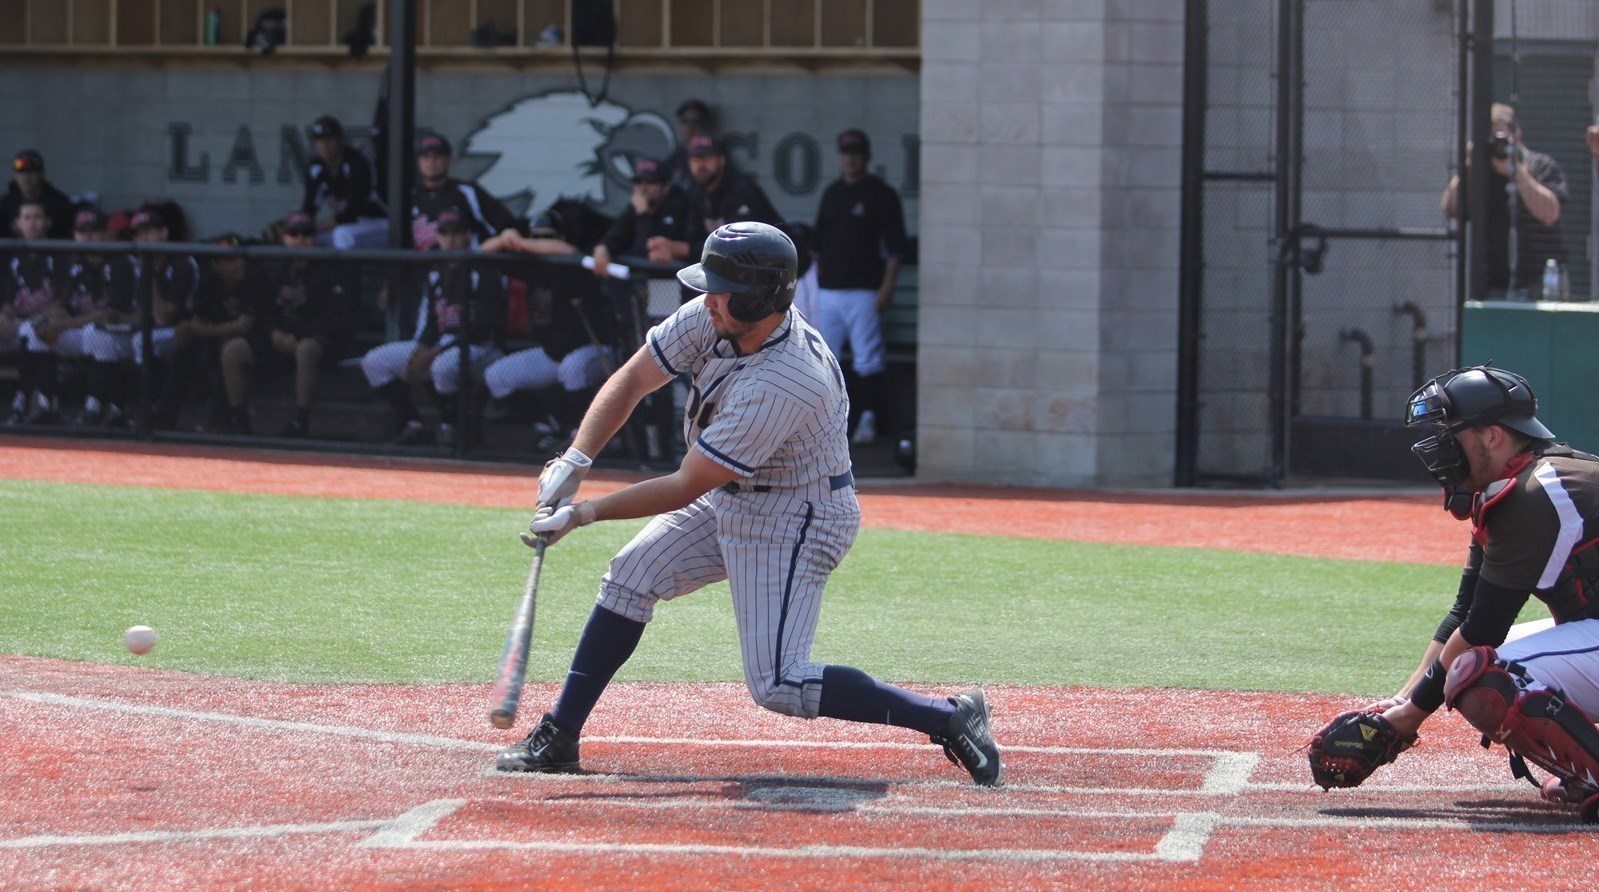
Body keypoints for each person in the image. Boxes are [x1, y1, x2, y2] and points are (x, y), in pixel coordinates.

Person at [494, 221, 1002, 787]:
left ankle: (949, 716)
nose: (706, 299)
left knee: (779, 683)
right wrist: (576, 459)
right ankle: (560, 735)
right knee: (630, 575)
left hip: (796, 516)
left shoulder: (786, 380)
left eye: (721, 288)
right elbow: (636, 377)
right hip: (733, 492)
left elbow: (687, 483)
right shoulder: (715, 316)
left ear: (761, 296)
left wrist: (584, 513)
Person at [1315, 366, 1599, 821]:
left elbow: (1484, 627)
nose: (1439, 445)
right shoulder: (1516, 485)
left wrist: (1408, 720)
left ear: (1491, 436)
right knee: (1473, 663)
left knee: (1480, 675)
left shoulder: (1534, 493)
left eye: (1451, 432)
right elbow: (1462, 614)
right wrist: (1398, 703)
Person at [362, 209, 506, 447]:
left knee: (442, 366)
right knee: (375, 361)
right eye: (444, 233)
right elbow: (430, 323)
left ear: (468, 235)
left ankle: (453, 427)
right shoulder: (436, 271)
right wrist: (420, 351)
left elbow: (481, 328)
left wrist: (433, 353)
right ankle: (413, 422)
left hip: (482, 347)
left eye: (457, 233)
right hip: (443, 345)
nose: (450, 240)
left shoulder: (483, 272)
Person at [217, 212, 355, 437]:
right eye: (294, 234)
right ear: (285, 238)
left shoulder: (330, 267)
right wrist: (274, 333)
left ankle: (301, 421)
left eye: (307, 234)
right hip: (279, 339)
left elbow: (335, 317)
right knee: (232, 350)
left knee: (306, 348)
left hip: (316, 341)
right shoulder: (275, 268)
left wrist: (298, 336)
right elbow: (265, 310)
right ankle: (239, 422)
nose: (301, 239)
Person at [812, 129, 909, 446]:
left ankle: (867, 419)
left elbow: (895, 249)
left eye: (856, 152)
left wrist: (886, 288)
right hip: (830, 289)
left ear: (867, 157)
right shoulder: (832, 193)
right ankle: (826, 422)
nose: (850, 158)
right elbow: (820, 241)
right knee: (826, 357)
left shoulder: (881, 194)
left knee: (868, 360)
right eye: (845, 152)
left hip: (864, 291)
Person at [1441, 104, 1568, 299]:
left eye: (1501, 137)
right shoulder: (1480, 175)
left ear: (1516, 135)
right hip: (1494, 288)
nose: (1498, 145)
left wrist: (1516, 171)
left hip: (1540, 286)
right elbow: (1450, 208)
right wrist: (1469, 163)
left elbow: (1550, 213)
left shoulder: (1540, 166)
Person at [45, 207, 139, 427]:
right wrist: (50, 318)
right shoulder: (74, 263)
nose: (89, 237)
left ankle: (102, 407)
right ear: (75, 236)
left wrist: (63, 323)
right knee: (32, 332)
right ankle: (41, 404)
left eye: (95, 231)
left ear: (106, 234)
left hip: (126, 334)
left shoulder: (121, 262)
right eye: (83, 232)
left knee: (97, 335)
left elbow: (110, 315)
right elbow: (64, 305)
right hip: (87, 330)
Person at [648, 134, 783, 282]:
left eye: (707, 158)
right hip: (746, 276)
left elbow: (740, 247)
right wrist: (667, 248)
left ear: (721, 160)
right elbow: (694, 238)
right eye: (695, 159)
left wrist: (680, 249)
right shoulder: (697, 192)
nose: (701, 165)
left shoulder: (741, 190)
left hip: (786, 270)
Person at [592, 156, 689, 339]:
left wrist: (644, 215)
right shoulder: (636, 206)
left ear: (666, 186)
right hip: (641, 288)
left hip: (668, 284)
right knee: (637, 337)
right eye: (639, 181)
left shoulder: (679, 206)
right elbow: (616, 236)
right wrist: (603, 247)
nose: (643, 188)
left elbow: (649, 248)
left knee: (664, 338)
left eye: (651, 182)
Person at [181, 233, 269, 433]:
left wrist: (207, 330)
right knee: (183, 343)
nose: (238, 264)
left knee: (229, 349)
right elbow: (195, 323)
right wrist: (210, 330)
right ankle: (162, 417)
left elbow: (245, 325)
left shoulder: (255, 277)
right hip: (218, 339)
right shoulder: (210, 280)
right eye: (230, 260)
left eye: (239, 258)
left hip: (258, 341)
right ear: (217, 265)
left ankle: (229, 420)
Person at [128, 207, 201, 428]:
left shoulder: (182, 263)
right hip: (150, 330)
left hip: (185, 330)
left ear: (163, 233)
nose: (144, 238)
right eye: (139, 234)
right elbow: (137, 311)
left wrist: (147, 273)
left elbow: (163, 315)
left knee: (141, 341)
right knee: (108, 339)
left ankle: (151, 410)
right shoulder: (134, 263)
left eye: (150, 231)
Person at [1, 200, 64, 424]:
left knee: (31, 331)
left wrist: (22, 322)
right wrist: (3, 317)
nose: (32, 223)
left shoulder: (60, 254)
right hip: (14, 324)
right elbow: (7, 301)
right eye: (27, 218)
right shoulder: (9, 253)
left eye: (37, 217)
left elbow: (60, 303)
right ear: (18, 223)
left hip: (47, 326)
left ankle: (30, 400)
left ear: (47, 222)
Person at [302, 115, 388, 250]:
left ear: (340, 139)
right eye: (319, 139)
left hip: (378, 222)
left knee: (342, 234)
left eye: (329, 138)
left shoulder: (357, 162)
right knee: (303, 238)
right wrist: (296, 225)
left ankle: (346, 272)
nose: (324, 144)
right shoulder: (317, 167)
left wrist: (313, 226)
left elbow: (353, 211)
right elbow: (309, 207)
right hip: (350, 225)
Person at [0, 150, 75, 241]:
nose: (26, 177)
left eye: (31, 172)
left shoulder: (60, 204)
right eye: (21, 172)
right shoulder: (5, 204)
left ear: (42, 173)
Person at [663, 97, 714, 189]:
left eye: (695, 121)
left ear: (705, 125)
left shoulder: (716, 158)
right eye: (685, 121)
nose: (690, 127)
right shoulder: (674, 160)